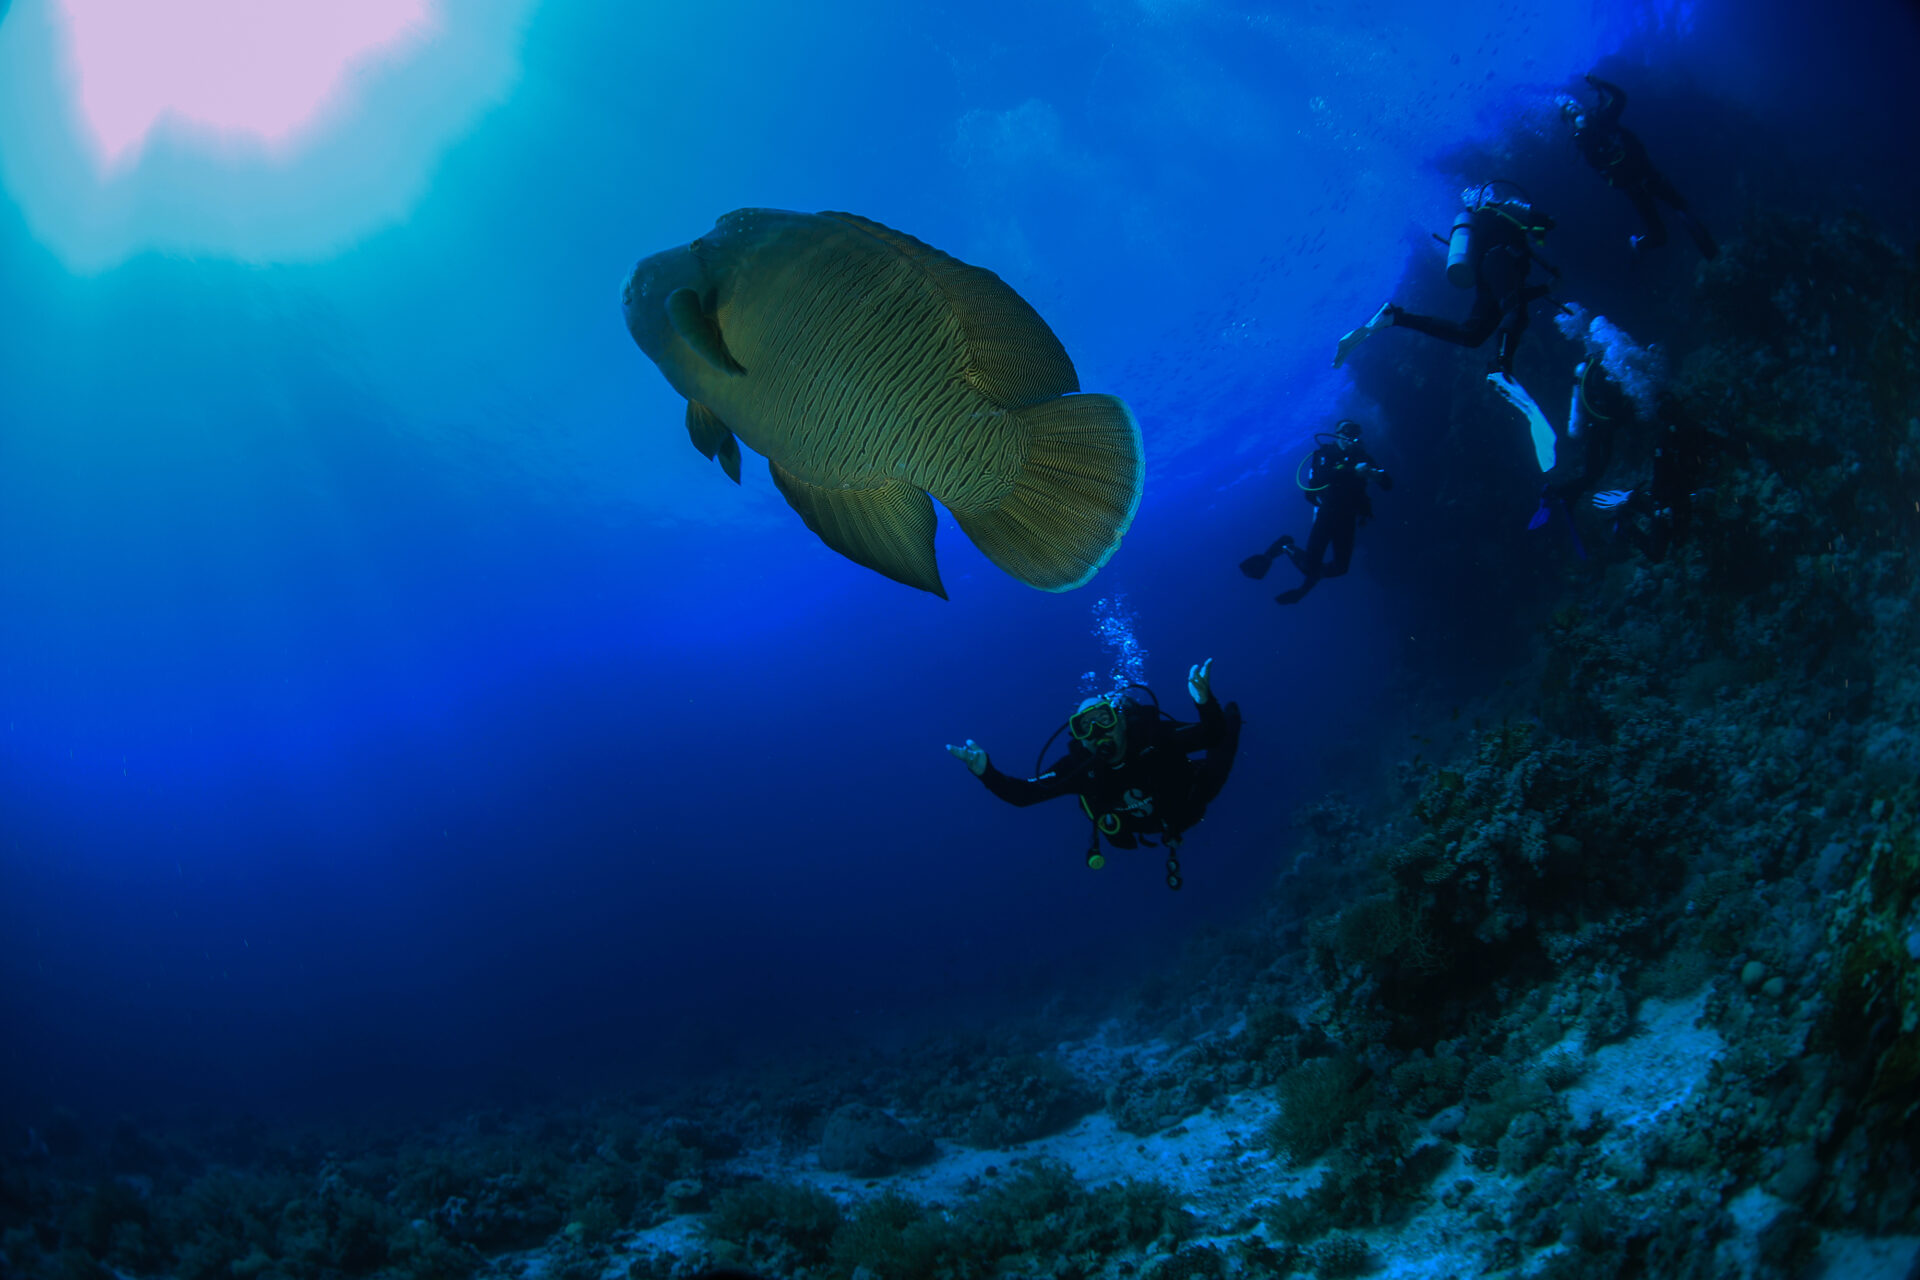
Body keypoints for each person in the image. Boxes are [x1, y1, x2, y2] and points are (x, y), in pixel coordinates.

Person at [945, 661, 1241, 889]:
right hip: (1146, 828)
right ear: (1079, 738)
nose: (1097, 732)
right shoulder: (1079, 768)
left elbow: (1211, 735)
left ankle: (1232, 713)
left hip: (1194, 797)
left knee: (1227, 731)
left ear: (1122, 721)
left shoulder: (1154, 737)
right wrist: (986, 772)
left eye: (1104, 719)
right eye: (1084, 727)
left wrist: (1205, 702)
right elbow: (1024, 795)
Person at [1333, 181, 1557, 377]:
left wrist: (1545, 288)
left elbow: (1513, 292)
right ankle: (1502, 364)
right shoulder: (1506, 209)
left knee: (1472, 335)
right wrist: (1543, 227)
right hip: (1498, 263)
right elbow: (1545, 221)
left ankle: (1395, 317)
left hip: (1487, 277)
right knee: (1514, 311)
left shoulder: (1483, 226)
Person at [1559, 74, 1717, 259]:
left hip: (1647, 173)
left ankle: (1712, 255)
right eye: (1572, 114)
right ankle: (1638, 245)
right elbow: (1602, 170)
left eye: (1576, 109)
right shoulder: (1584, 144)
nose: (1577, 114)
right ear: (1571, 124)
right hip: (1634, 188)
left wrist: (1601, 84)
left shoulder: (1603, 120)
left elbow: (1620, 97)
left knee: (1681, 207)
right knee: (1660, 234)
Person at [1241, 420, 1392, 605]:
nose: (1349, 436)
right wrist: (1353, 471)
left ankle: (1303, 583)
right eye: (1345, 431)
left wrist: (1378, 475)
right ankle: (1285, 547)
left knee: (1340, 568)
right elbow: (1320, 478)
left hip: (1349, 516)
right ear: (1337, 433)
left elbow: (1387, 484)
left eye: (1354, 432)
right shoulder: (1325, 454)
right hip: (1327, 513)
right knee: (1312, 564)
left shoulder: (1362, 457)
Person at [1591, 395, 1715, 563]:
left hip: (1673, 499)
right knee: (1656, 553)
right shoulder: (1668, 442)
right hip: (1665, 501)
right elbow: (1661, 475)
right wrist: (1660, 505)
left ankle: (1634, 500)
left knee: (1676, 539)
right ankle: (1625, 522)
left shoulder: (1686, 437)